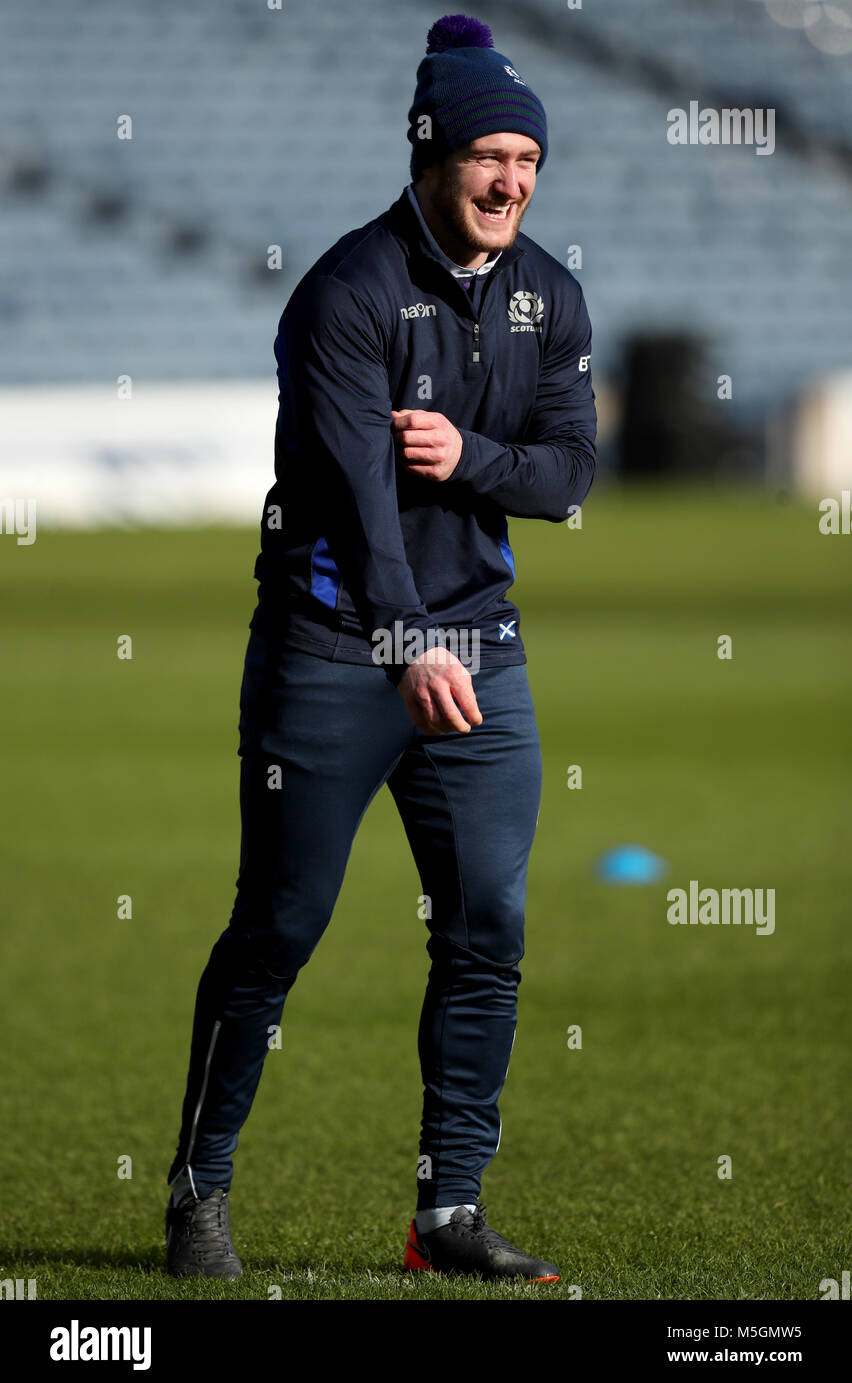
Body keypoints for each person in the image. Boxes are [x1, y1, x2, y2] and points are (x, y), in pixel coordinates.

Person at [165, 12, 596, 1284]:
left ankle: (447, 1215)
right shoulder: (347, 293)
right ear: (432, 155)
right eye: (488, 155)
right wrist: (405, 633)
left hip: (483, 652)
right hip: (333, 647)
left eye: (529, 159)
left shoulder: (551, 294)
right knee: (281, 926)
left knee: (489, 926)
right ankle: (198, 1190)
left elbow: (570, 475)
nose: (511, 179)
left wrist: (476, 461)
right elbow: (354, 501)